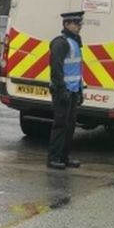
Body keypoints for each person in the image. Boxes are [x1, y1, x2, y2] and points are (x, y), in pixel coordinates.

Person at [46, 11, 86, 170]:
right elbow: (56, 69)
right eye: (76, 24)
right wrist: (61, 89)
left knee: (70, 126)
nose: (79, 27)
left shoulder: (75, 42)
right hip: (63, 91)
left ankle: (64, 157)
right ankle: (53, 158)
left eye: (79, 24)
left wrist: (80, 90)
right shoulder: (60, 43)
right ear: (66, 24)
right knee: (60, 125)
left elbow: (76, 69)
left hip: (73, 90)